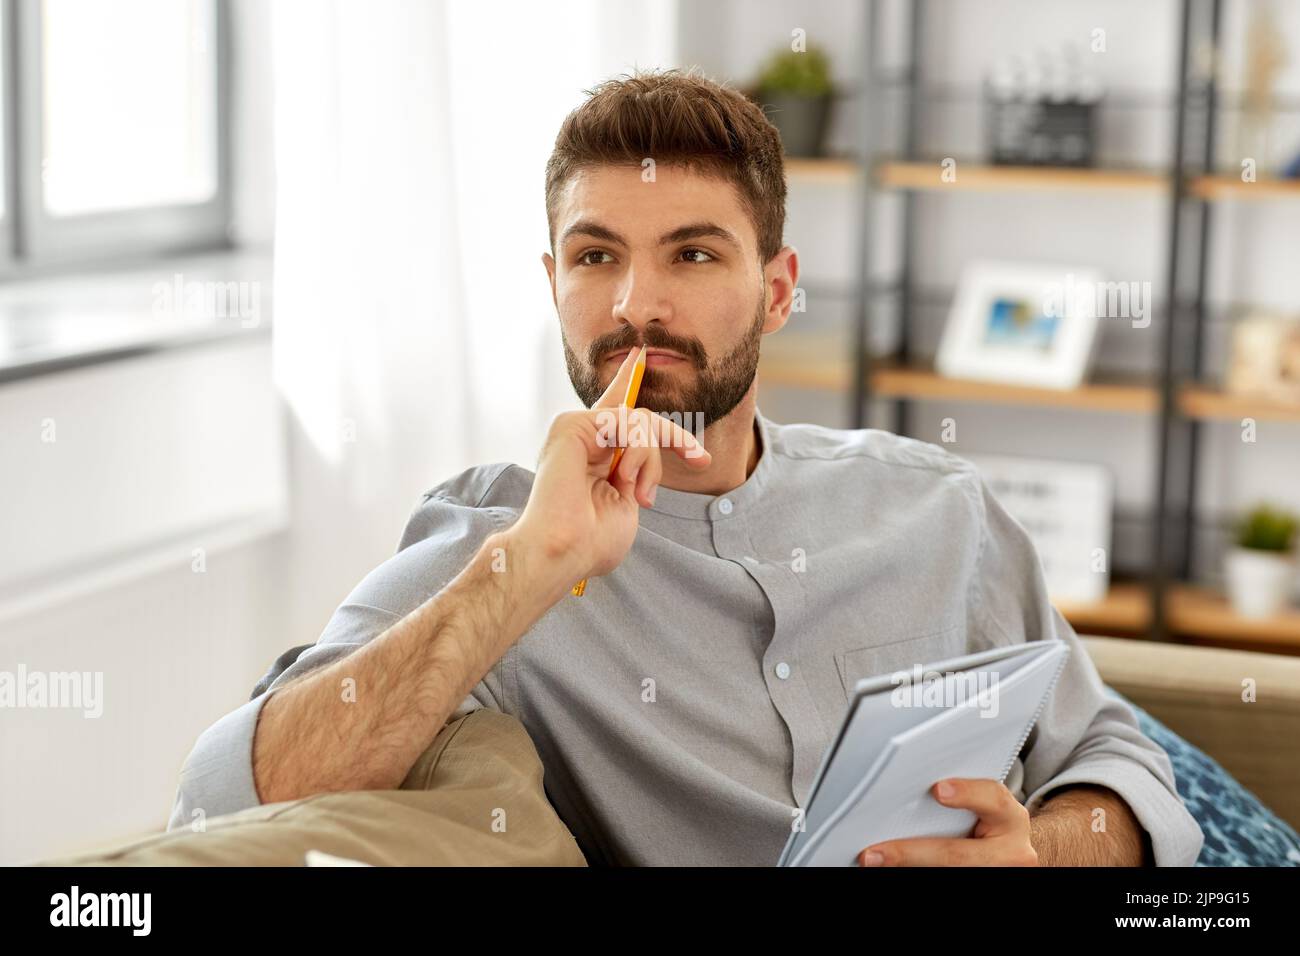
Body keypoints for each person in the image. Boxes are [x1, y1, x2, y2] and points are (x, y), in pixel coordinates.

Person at [167, 69, 1203, 867]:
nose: (634, 305)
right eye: (594, 255)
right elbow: (223, 797)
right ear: (554, 283)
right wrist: (527, 564)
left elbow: (1118, 763)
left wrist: (1038, 847)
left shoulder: (937, 508)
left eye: (694, 255)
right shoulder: (497, 537)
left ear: (778, 288)